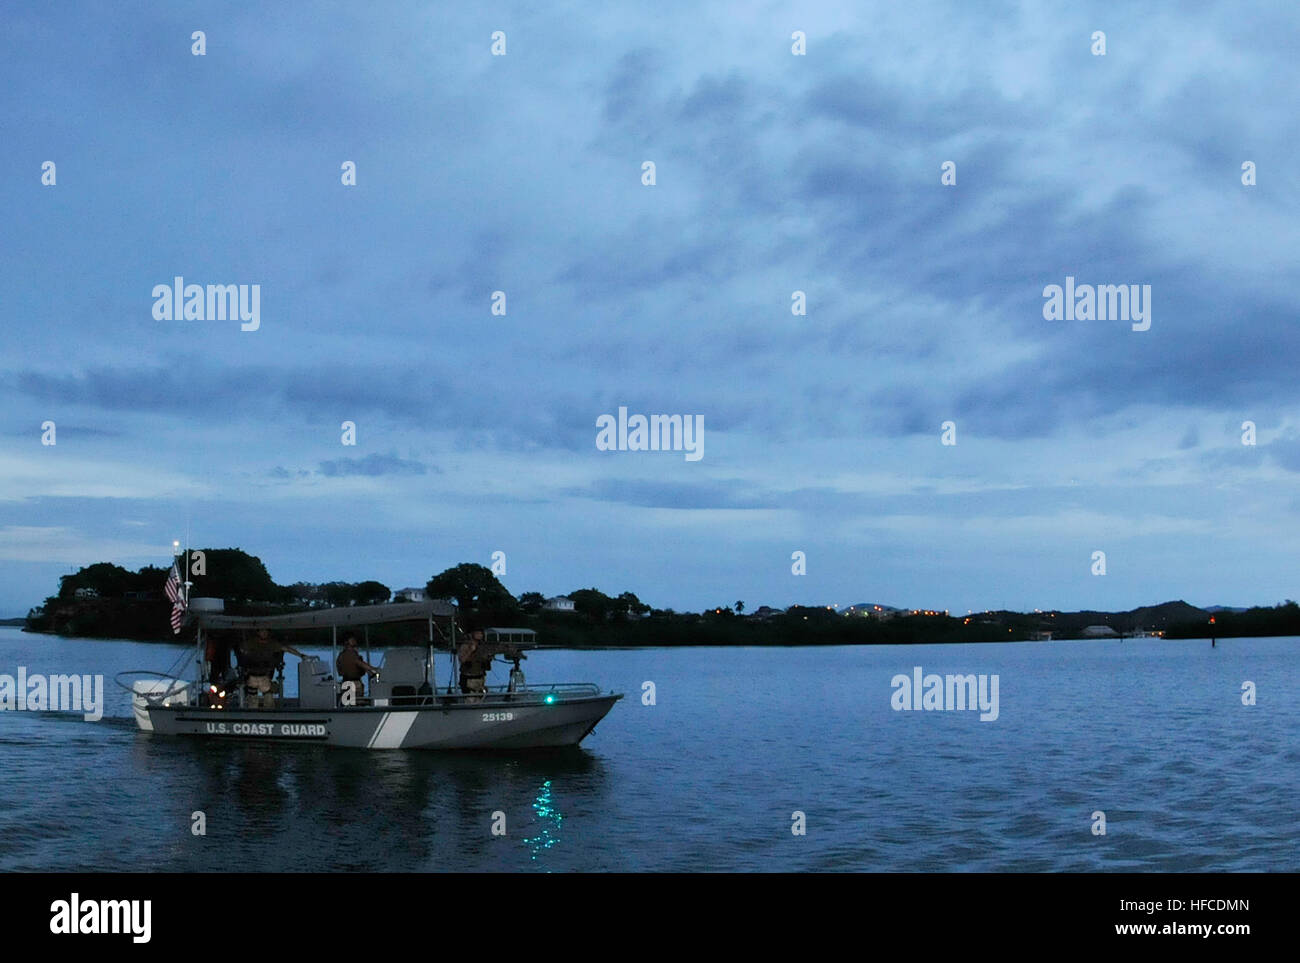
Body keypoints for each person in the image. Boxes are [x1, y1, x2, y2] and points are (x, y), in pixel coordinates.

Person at [237, 628, 305, 708]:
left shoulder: (272, 644)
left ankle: (269, 714)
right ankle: (253, 715)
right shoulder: (251, 643)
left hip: (264, 676)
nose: (264, 633)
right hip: (252, 676)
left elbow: (287, 649)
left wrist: (301, 655)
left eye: (266, 631)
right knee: (252, 700)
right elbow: (241, 650)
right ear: (258, 632)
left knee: (268, 699)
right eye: (262, 631)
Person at [336, 632, 379, 702]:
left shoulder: (341, 655)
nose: (355, 641)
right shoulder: (350, 654)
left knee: (349, 703)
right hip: (353, 683)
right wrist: (374, 669)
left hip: (345, 682)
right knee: (357, 702)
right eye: (352, 640)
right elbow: (360, 663)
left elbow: (340, 671)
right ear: (347, 642)